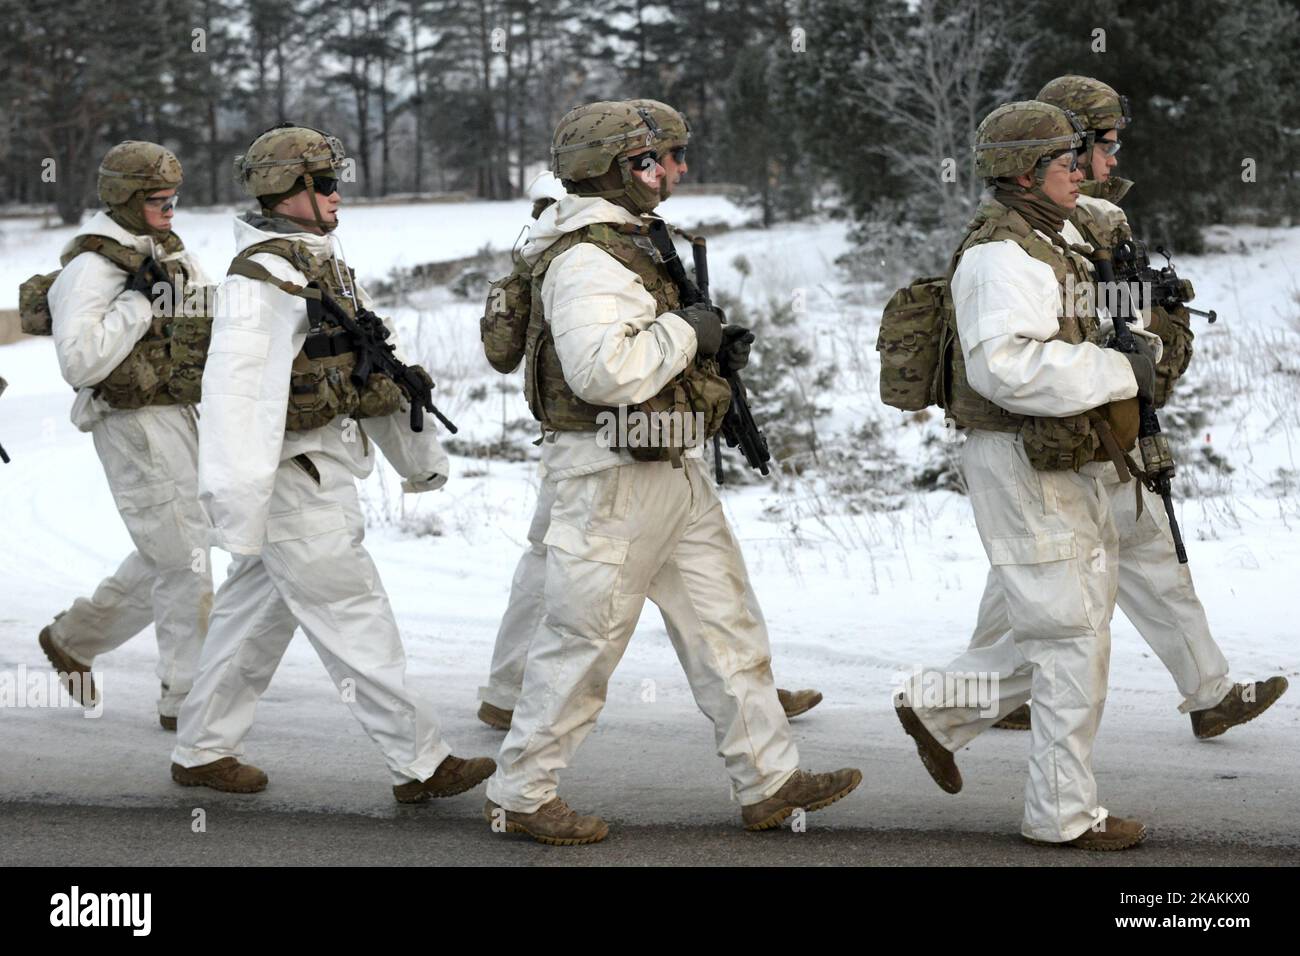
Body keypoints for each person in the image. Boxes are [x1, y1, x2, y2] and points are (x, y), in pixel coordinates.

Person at [483, 101, 860, 846]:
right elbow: (602, 370)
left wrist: (703, 348)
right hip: (613, 475)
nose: (678, 169)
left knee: (726, 627)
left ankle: (769, 780)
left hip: (664, 465)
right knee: (583, 641)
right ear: (624, 167)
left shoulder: (629, 242)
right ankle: (523, 791)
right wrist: (690, 330)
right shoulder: (587, 257)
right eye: (665, 157)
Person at [169, 124, 494, 802]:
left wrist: (417, 456)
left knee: (252, 616)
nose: (338, 192)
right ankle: (421, 763)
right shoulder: (262, 283)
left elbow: (370, 368)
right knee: (353, 613)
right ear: (288, 191)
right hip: (293, 479)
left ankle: (202, 749)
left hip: (313, 468)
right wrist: (235, 507)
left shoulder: (314, 266)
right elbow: (237, 401)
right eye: (324, 181)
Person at [981, 76, 1288, 736]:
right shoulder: (1063, 220)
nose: (1114, 159)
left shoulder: (1076, 212)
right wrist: (1147, 311)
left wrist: (1150, 298)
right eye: (1107, 144)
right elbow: (1080, 319)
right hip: (1079, 421)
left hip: (1096, 415)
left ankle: (1208, 691)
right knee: (1086, 562)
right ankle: (971, 698)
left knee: (1079, 561)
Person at [896, 101, 1159, 850]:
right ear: (1023, 173)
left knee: (1064, 622)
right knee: (1071, 634)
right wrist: (1117, 369)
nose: (1081, 173)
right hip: (1019, 456)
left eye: (1079, 160)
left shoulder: (1055, 241)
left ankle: (943, 709)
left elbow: (1094, 326)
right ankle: (1061, 814)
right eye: (1066, 163)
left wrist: (1141, 344)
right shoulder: (999, 258)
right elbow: (1004, 367)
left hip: (1058, 454)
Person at [40, 141, 213, 730]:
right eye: (159, 200)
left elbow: (211, 312)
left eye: (175, 198)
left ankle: (74, 637)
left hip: (179, 414)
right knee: (185, 560)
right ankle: (185, 700)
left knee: (172, 548)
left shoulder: (164, 249)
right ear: (127, 199)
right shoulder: (91, 269)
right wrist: (139, 304)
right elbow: (79, 362)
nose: (171, 209)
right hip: (130, 423)